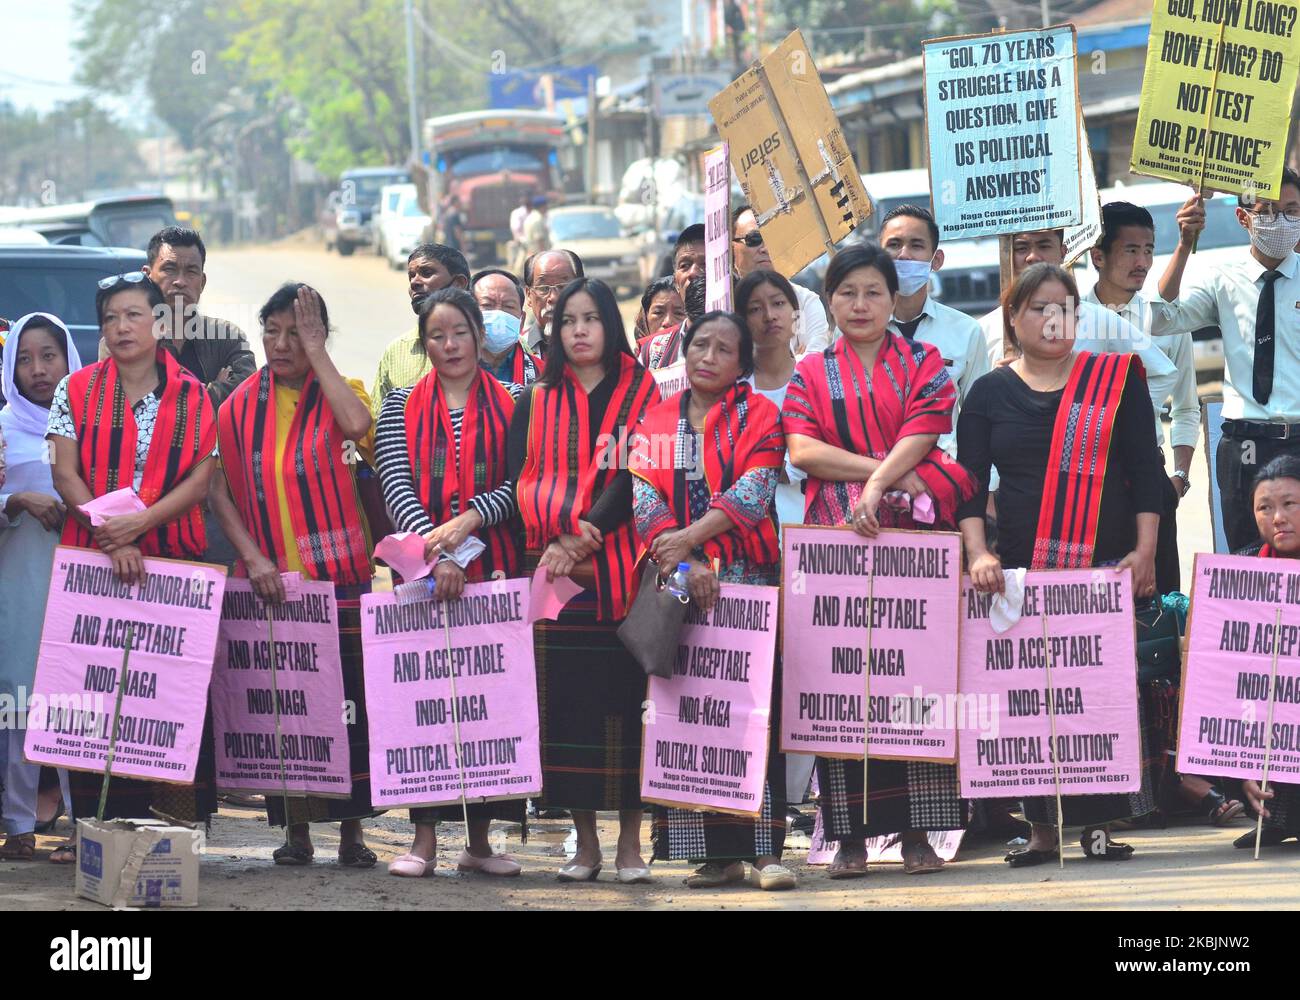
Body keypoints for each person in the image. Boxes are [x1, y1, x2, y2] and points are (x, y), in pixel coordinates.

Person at [958, 262, 1164, 865]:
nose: (1055, 319)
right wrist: (979, 553)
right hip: (1021, 566)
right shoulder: (990, 391)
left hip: (1102, 562)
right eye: (1040, 307)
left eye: (1066, 307)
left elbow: (1145, 470)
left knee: (1096, 694)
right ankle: (1041, 828)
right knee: (1031, 697)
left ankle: (1098, 826)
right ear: (1014, 319)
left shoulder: (1115, 377)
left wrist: (1145, 551)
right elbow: (968, 485)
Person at [782, 244, 977, 876]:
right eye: (846, 293)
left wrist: (874, 488)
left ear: (894, 299)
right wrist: (883, 477)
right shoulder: (810, 371)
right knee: (842, 685)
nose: (859, 305)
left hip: (912, 545)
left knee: (914, 681)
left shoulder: (923, 359)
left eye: (872, 292)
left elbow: (925, 430)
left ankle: (921, 831)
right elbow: (805, 452)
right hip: (836, 544)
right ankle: (848, 838)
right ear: (829, 301)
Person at [210, 283, 380, 867]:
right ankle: (297, 833)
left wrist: (318, 354)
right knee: (285, 712)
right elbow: (217, 490)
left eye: (297, 332)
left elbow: (358, 424)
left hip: (339, 579)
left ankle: (354, 834)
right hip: (271, 583)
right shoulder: (238, 405)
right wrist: (253, 559)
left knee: (347, 706)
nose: (281, 345)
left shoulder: (340, 390)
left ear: (319, 337)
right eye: (272, 331)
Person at [629, 309, 796, 890]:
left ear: (742, 364)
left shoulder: (763, 416)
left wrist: (689, 543)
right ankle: (716, 854)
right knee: (694, 713)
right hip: (679, 582)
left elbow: (751, 493)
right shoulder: (656, 420)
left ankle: (767, 850)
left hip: (747, 582)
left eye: (725, 349)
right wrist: (687, 560)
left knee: (753, 711)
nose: (708, 356)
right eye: (700, 344)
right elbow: (644, 501)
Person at [47, 273, 218, 827]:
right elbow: (64, 473)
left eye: (133, 315)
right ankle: (92, 831)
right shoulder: (73, 390)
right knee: (90, 699)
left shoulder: (193, 394)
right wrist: (113, 530)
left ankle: (161, 836)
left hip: (168, 569)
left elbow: (200, 478)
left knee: (160, 703)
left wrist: (139, 524)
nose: (120, 328)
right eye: (110, 318)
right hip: (94, 565)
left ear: (160, 323)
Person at [509, 277, 660, 883]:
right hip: (556, 574)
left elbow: (638, 473)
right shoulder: (536, 396)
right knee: (568, 708)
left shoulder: (639, 388)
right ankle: (586, 846)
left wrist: (583, 534)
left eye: (590, 318)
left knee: (626, 706)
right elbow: (518, 476)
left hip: (621, 569)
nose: (578, 330)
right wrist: (559, 541)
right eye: (567, 320)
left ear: (610, 325)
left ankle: (629, 846)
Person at [374, 287, 526, 877]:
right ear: (424, 343)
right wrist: (439, 557)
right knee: (428, 707)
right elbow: (395, 487)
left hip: (495, 571)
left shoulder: (516, 401)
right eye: (436, 336)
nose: (449, 345)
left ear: (478, 335)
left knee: (489, 706)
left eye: (459, 332)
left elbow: (522, 483)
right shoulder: (397, 406)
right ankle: (423, 841)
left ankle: (481, 843)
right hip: (422, 576)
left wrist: (469, 529)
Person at [1151, 168, 1300, 550]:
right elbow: (1161, 318)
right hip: (1243, 442)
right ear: (1243, 216)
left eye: (1292, 210)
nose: (1280, 221)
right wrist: (1184, 244)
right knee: (1247, 565)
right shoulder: (1222, 280)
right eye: (1267, 211)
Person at [735, 269, 817, 813]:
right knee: (757, 675)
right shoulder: (730, 391)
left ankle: (798, 799)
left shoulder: (821, 378)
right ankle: (759, 804)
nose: (769, 316)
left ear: (795, 312)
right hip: (747, 550)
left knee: (809, 672)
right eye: (756, 307)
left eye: (779, 304)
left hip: (816, 543)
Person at [0, 314, 81, 863]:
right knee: (20, 702)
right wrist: (16, 502)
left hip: (81, 582)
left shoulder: (91, 424)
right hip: (20, 582)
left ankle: (84, 821)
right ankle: (18, 822)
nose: (38, 369)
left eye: (49, 355)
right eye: (25, 358)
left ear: (68, 357)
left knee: (79, 701)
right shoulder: (3, 430)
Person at [1087, 201, 1200, 594]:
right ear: (1098, 255)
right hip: (1087, 475)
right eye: (1130, 250)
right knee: (1096, 597)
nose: (1143, 262)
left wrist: (1179, 479)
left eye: (1149, 249)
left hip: (1151, 479)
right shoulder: (1069, 318)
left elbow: (1187, 407)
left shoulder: (1167, 323)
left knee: (1161, 598)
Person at [97, 227, 256, 408]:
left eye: (191, 271)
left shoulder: (227, 337)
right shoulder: (120, 340)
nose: (180, 281)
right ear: (147, 276)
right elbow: (120, 404)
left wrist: (163, 394)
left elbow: (249, 396)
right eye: (169, 269)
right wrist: (213, 391)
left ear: (202, 282)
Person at [879, 205, 991, 459]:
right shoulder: (854, 331)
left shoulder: (966, 332)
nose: (904, 255)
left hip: (941, 481)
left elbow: (979, 421)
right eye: (894, 245)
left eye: (916, 245)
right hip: (869, 481)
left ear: (936, 260)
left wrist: (987, 489)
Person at [1236, 455, 1300, 847]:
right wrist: (1234, 761)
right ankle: (1276, 817)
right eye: (1265, 507)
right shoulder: (1239, 571)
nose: (1278, 517)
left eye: (1289, 504)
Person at [371, 244, 471, 417]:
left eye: (426, 273)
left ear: (459, 283)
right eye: (411, 276)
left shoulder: (493, 343)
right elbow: (376, 423)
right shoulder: (397, 350)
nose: (415, 282)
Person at [732, 204, 830, 354]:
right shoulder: (721, 303)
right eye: (754, 239)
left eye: (772, 240)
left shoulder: (804, 302)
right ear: (731, 248)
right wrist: (795, 359)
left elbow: (813, 367)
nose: (765, 248)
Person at [470, 268, 537, 385]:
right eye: (487, 305)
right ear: (468, 315)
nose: (498, 315)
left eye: (509, 306)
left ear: (521, 322)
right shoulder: (451, 372)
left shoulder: (543, 375)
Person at [522, 249, 583, 356]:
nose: (553, 297)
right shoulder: (518, 351)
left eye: (563, 287)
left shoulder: (599, 348)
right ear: (528, 296)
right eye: (544, 288)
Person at [633, 276, 686, 344]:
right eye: (658, 312)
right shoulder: (636, 354)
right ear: (645, 318)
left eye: (679, 313)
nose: (667, 322)